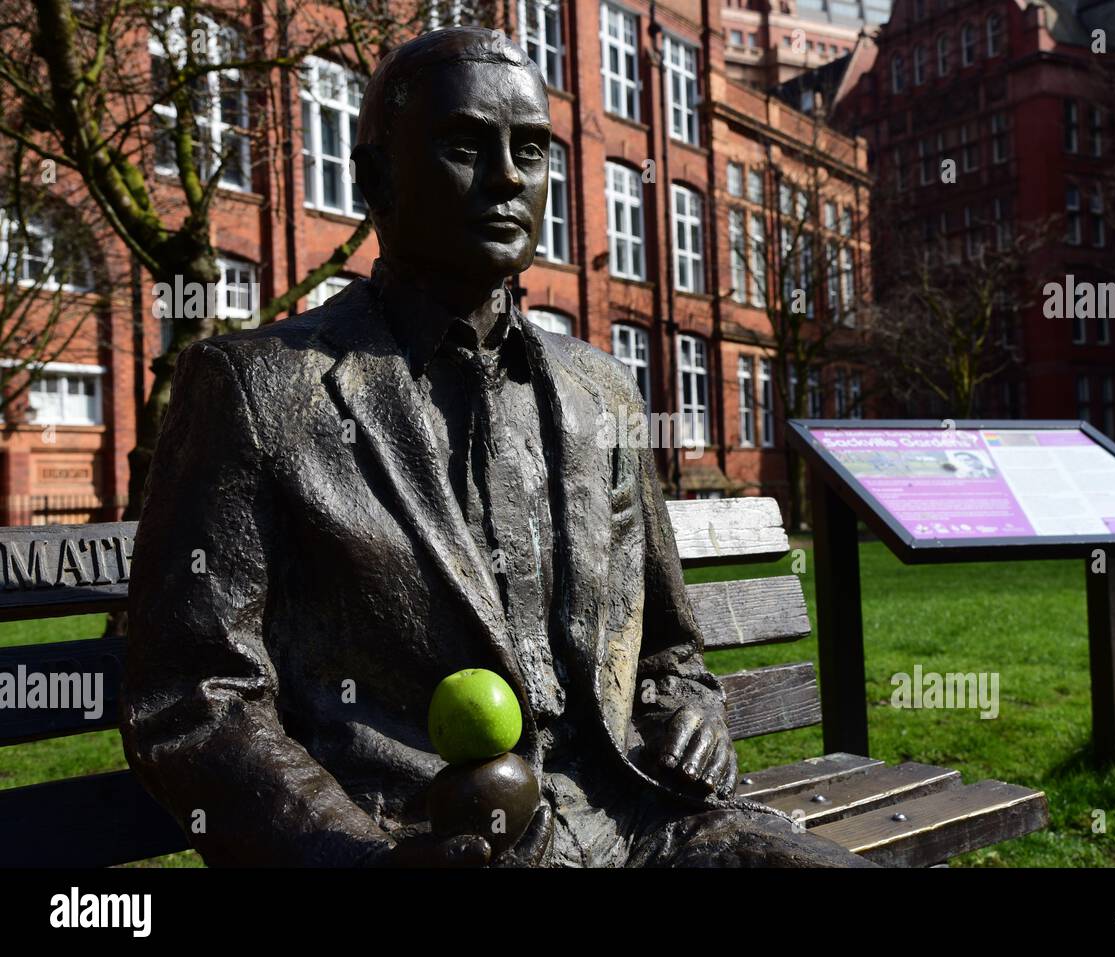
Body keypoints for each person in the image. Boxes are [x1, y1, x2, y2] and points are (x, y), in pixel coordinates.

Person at [121, 27, 872, 869]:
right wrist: (358, 860)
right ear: (376, 180)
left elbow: (666, 650)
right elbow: (194, 700)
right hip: (420, 840)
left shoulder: (602, 391)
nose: (509, 175)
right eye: (465, 144)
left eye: (531, 148)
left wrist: (690, 710)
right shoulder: (254, 388)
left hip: (644, 821)